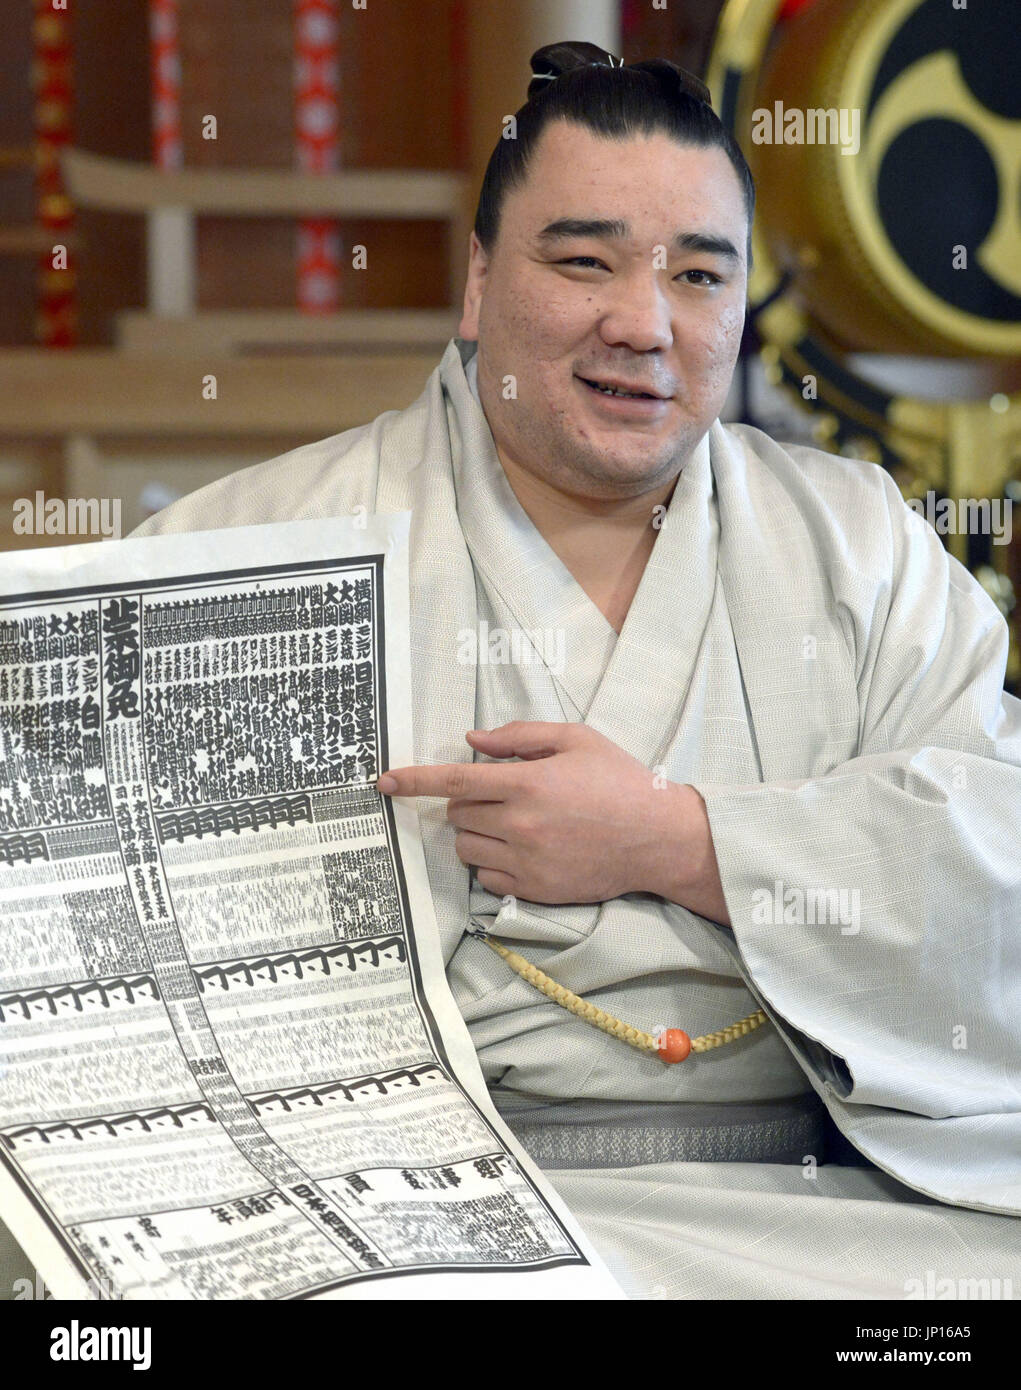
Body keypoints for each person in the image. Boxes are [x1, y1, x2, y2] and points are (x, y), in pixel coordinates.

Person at [125, 41, 1020, 1298]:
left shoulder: (857, 546)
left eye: (698, 275)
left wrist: (682, 841)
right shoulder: (250, 553)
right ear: (480, 282)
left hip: (828, 1192)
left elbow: (1002, 872)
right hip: (413, 1202)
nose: (642, 323)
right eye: (583, 259)